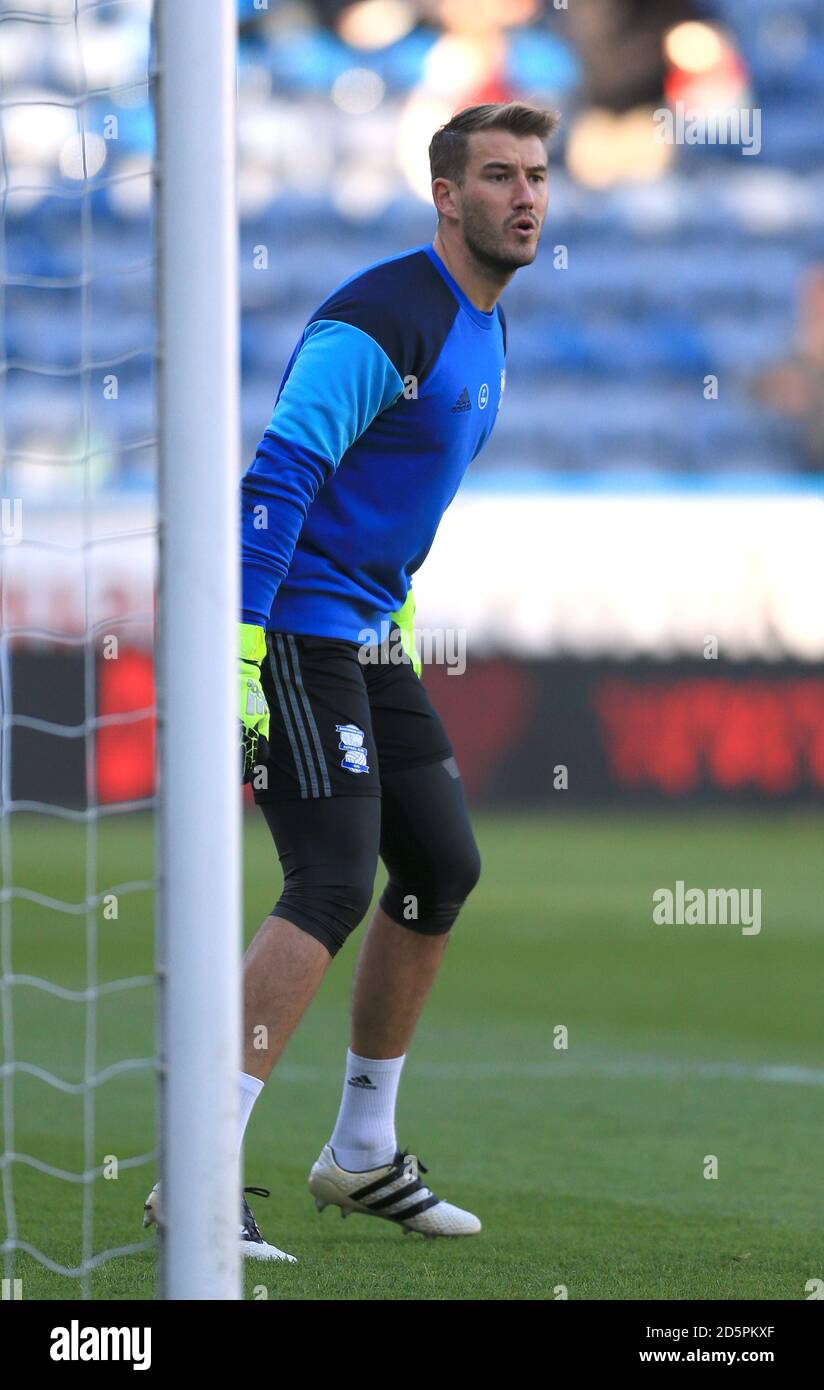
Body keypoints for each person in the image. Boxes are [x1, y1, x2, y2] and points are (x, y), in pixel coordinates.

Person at [146, 100, 555, 1260]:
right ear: (444, 196)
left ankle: (361, 1154)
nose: (524, 196)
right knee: (328, 878)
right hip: (288, 629)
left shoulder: (486, 329)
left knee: (438, 862)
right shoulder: (383, 318)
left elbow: (390, 502)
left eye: (535, 175)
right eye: (496, 176)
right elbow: (274, 487)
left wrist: (400, 610)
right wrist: (235, 654)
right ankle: (193, 1167)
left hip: (366, 634)